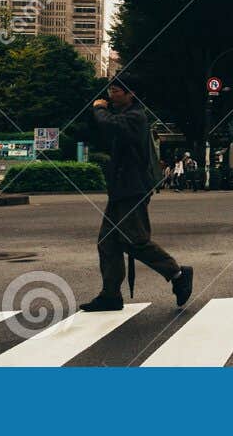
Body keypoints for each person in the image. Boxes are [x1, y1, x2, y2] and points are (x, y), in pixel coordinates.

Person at [80, 76, 193, 312]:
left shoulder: (135, 117)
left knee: (135, 240)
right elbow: (104, 130)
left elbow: (111, 126)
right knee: (108, 242)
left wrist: (99, 110)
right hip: (122, 189)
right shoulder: (124, 115)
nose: (111, 95)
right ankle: (110, 294)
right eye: (110, 90)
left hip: (132, 189)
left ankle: (178, 273)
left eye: (117, 91)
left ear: (131, 94)